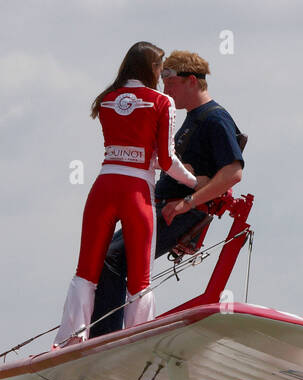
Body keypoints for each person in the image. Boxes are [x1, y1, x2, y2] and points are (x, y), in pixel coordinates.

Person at [87, 50, 245, 338]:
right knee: (105, 256)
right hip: (161, 206)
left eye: (171, 83)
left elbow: (233, 173)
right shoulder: (192, 118)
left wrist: (188, 202)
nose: (165, 90)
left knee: (112, 258)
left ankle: (105, 338)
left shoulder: (215, 118)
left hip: (177, 211)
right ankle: (103, 335)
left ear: (192, 81)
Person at [56, 42, 197, 347]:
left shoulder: (107, 99)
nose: (161, 76)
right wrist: (193, 182)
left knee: (86, 271)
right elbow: (166, 161)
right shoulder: (161, 101)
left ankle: (71, 337)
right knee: (140, 278)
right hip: (136, 192)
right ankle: (137, 340)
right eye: (161, 69)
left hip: (104, 187)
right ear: (152, 68)